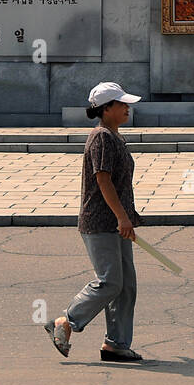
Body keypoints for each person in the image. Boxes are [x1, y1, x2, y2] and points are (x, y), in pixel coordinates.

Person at [45, 82, 146, 363]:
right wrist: (122, 217)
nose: (127, 108)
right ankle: (66, 321)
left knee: (126, 285)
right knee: (111, 282)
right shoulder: (101, 137)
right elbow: (103, 179)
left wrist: (126, 218)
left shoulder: (115, 137)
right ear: (106, 108)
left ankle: (116, 344)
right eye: (122, 103)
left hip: (117, 222)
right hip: (101, 221)